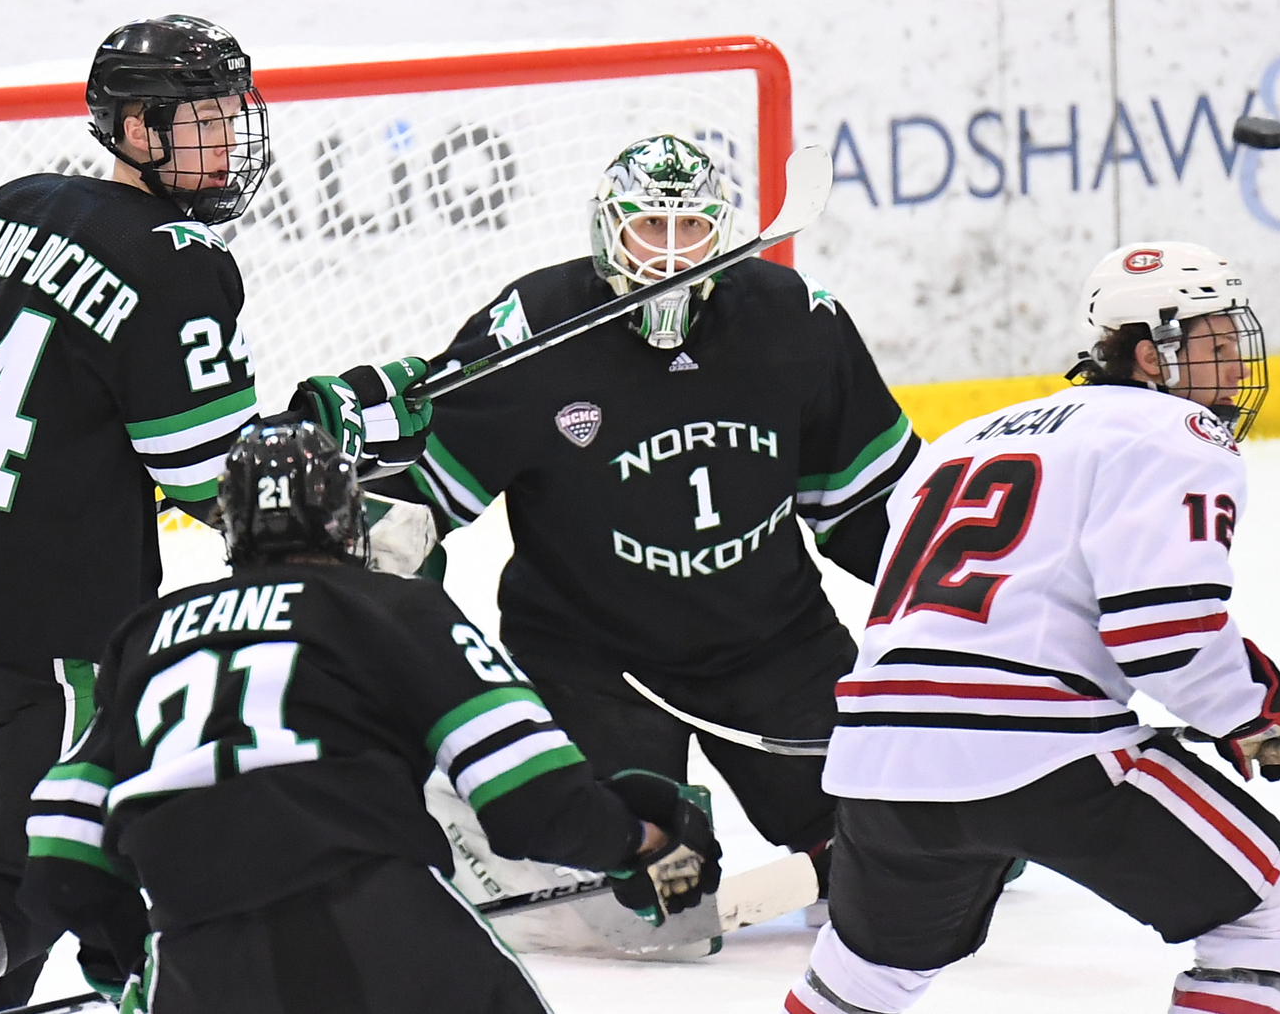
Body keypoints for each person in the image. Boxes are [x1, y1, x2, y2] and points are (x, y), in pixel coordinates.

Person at [0, 16, 426, 1014]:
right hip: (52, 617)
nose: (227, 144)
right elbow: (209, 470)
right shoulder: (173, 259)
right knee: (25, 883)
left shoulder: (7, 208)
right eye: (202, 121)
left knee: (46, 856)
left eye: (228, 119)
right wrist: (337, 423)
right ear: (133, 128)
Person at [786, 242, 1280, 1014]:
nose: (1236, 367)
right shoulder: (1171, 431)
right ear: (1151, 355)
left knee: (861, 978)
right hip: (1040, 752)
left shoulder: (962, 439)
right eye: (1215, 344)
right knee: (1270, 910)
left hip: (879, 760)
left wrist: (1240, 693)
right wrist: (1253, 706)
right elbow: (1162, 630)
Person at [16, 418, 722, 1013]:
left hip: (198, 956)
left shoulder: (145, 637)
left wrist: (131, 965)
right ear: (347, 515)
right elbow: (529, 800)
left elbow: (60, 859)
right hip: (378, 925)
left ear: (229, 526)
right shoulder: (392, 608)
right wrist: (637, 838)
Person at [386, 134, 920, 892]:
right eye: (649, 228)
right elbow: (419, 501)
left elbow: (871, 505)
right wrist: (410, 649)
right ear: (610, 228)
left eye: (691, 229)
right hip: (596, 660)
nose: (670, 255)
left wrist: (956, 618)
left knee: (892, 855)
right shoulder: (530, 329)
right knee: (653, 881)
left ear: (723, 230)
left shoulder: (795, 320)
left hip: (772, 644)